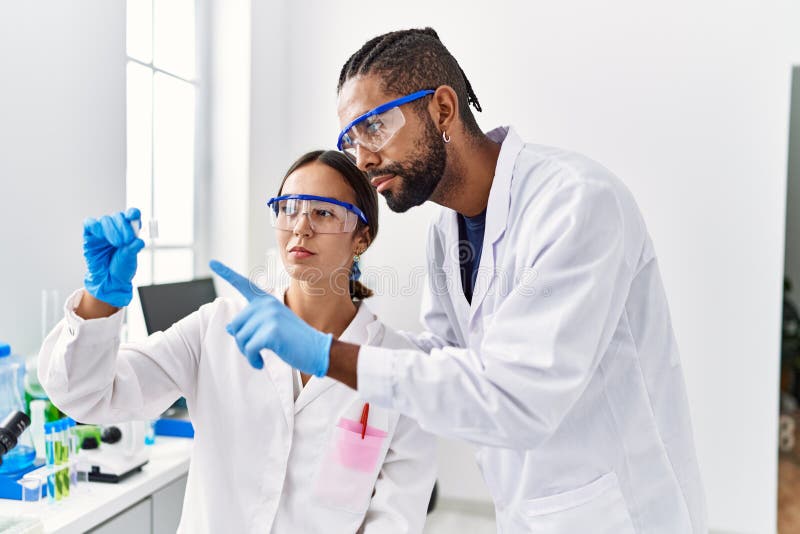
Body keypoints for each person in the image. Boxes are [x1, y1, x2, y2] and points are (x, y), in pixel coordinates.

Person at [211, 28, 707, 533]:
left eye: (373, 127)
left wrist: (324, 353)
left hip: (621, 515)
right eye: (350, 140)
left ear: (443, 110)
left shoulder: (576, 203)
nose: (361, 160)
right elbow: (445, 359)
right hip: (525, 512)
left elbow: (516, 398)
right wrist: (339, 327)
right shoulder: (447, 234)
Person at [38, 150, 437, 534]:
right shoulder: (218, 327)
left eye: (323, 212)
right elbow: (87, 396)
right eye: (289, 209)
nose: (301, 226)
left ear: (361, 237)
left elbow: (396, 520)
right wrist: (100, 300)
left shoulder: (398, 365)